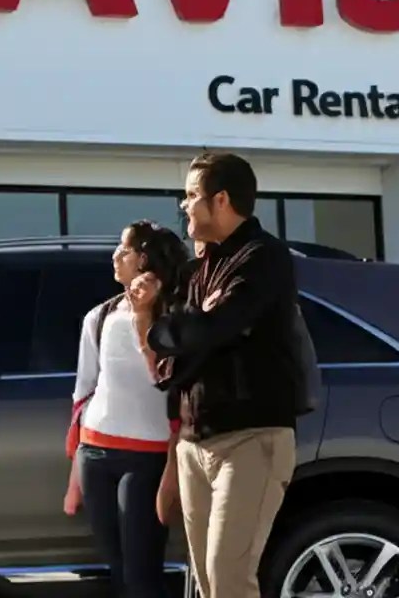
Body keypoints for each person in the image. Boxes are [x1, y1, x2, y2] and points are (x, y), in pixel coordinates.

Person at [129, 152, 302, 598]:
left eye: (190, 196)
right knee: (207, 585)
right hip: (193, 445)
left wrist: (170, 326)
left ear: (220, 200)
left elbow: (211, 327)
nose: (183, 206)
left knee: (228, 581)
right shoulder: (195, 272)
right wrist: (151, 319)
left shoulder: (263, 258)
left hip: (250, 440)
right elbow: (170, 366)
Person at [63, 219, 190, 598]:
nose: (116, 256)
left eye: (125, 250)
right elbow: (84, 392)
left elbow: (162, 377)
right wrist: (75, 473)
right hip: (95, 454)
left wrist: (143, 315)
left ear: (146, 260)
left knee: (142, 574)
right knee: (117, 571)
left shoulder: (176, 316)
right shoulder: (99, 317)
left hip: (147, 458)